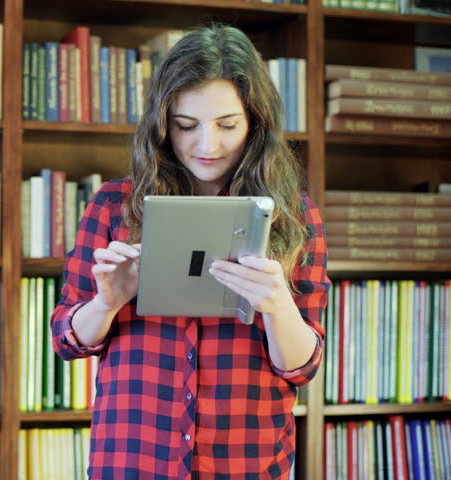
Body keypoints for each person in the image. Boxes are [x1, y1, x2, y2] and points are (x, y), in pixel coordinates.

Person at [51, 24, 330, 479]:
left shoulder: (294, 215)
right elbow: (66, 339)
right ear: (163, 125)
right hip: (134, 457)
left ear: (255, 123)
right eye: (186, 126)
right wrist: (107, 302)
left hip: (245, 461)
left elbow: (303, 367)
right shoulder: (113, 205)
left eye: (227, 125)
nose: (207, 145)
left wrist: (278, 305)